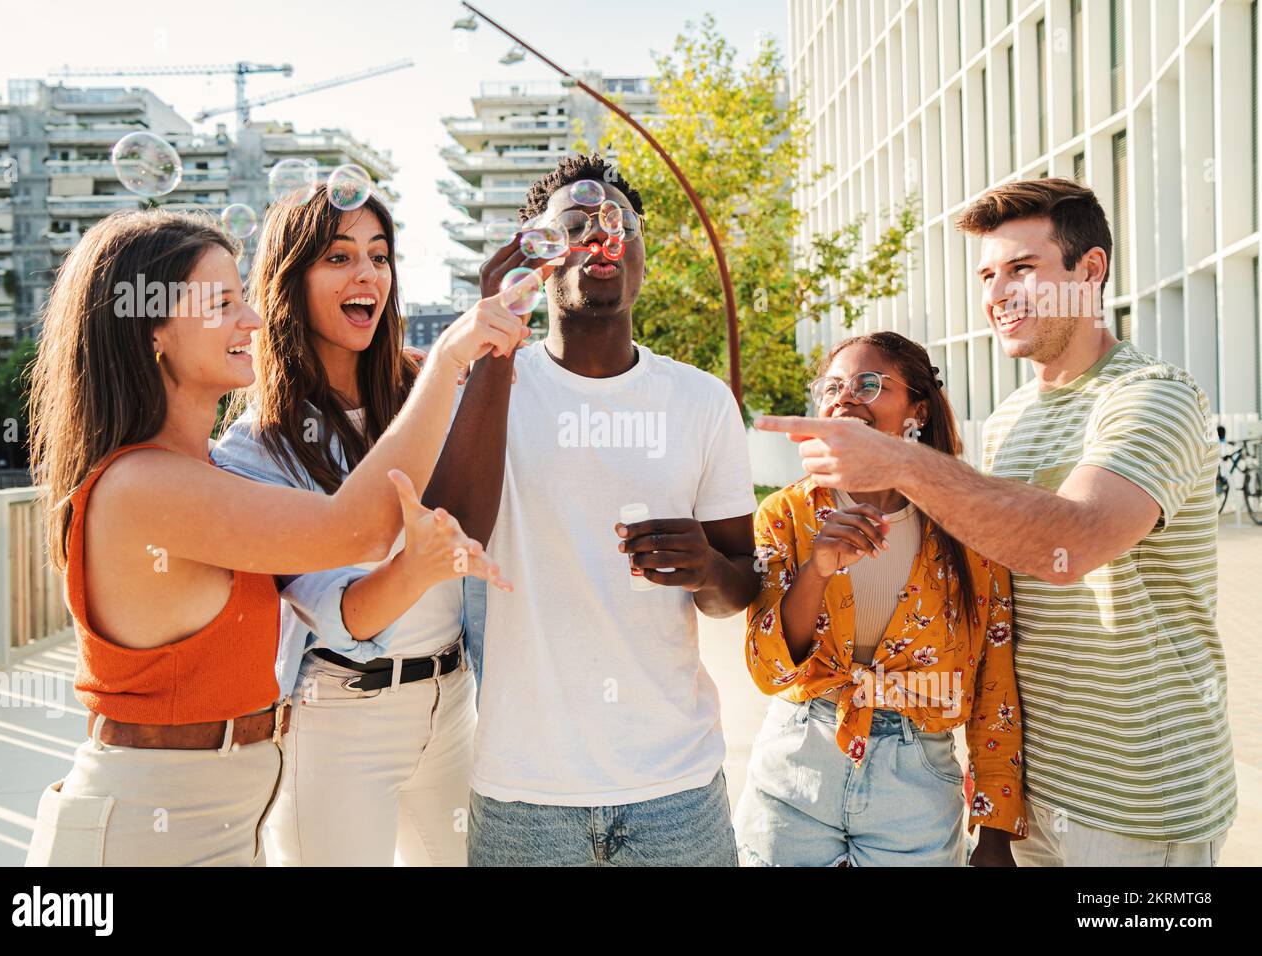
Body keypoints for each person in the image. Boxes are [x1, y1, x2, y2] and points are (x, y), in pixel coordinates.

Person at [757, 178, 1235, 865]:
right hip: (1038, 793)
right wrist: (998, 811)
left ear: (1089, 270)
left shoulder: (1152, 397)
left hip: (1137, 799)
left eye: (1022, 268)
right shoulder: (1010, 421)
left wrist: (897, 462)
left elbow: (1069, 542)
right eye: (987, 274)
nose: (998, 292)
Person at [23, 208, 522, 866]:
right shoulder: (145, 485)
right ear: (152, 333)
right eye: (223, 303)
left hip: (223, 809)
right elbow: (360, 529)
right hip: (148, 824)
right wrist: (452, 358)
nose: (252, 321)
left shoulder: (189, 473)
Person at [422, 154, 761, 866]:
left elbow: (741, 589)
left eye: (617, 224)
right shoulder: (476, 386)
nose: (600, 238)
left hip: (677, 787)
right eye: (572, 227)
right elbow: (452, 536)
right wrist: (494, 344)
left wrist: (704, 569)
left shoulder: (701, 401)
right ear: (535, 259)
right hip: (524, 792)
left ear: (640, 255)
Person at [214, 186, 540, 866]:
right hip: (339, 718)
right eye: (338, 256)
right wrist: (415, 565)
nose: (367, 275)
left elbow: (467, 521)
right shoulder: (254, 451)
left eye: (380, 256)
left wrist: (483, 362)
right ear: (289, 279)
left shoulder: (429, 392)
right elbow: (347, 615)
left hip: (451, 703)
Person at [734, 331, 1024, 867]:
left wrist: (996, 828)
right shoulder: (785, 516)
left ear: (917, 410)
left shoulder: (970, 525)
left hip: (915, 784)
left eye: (869, 384)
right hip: (796, 768)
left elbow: (994, 686)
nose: (845, 397)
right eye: (833, 386)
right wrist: (816, 569)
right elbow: (769, 670)